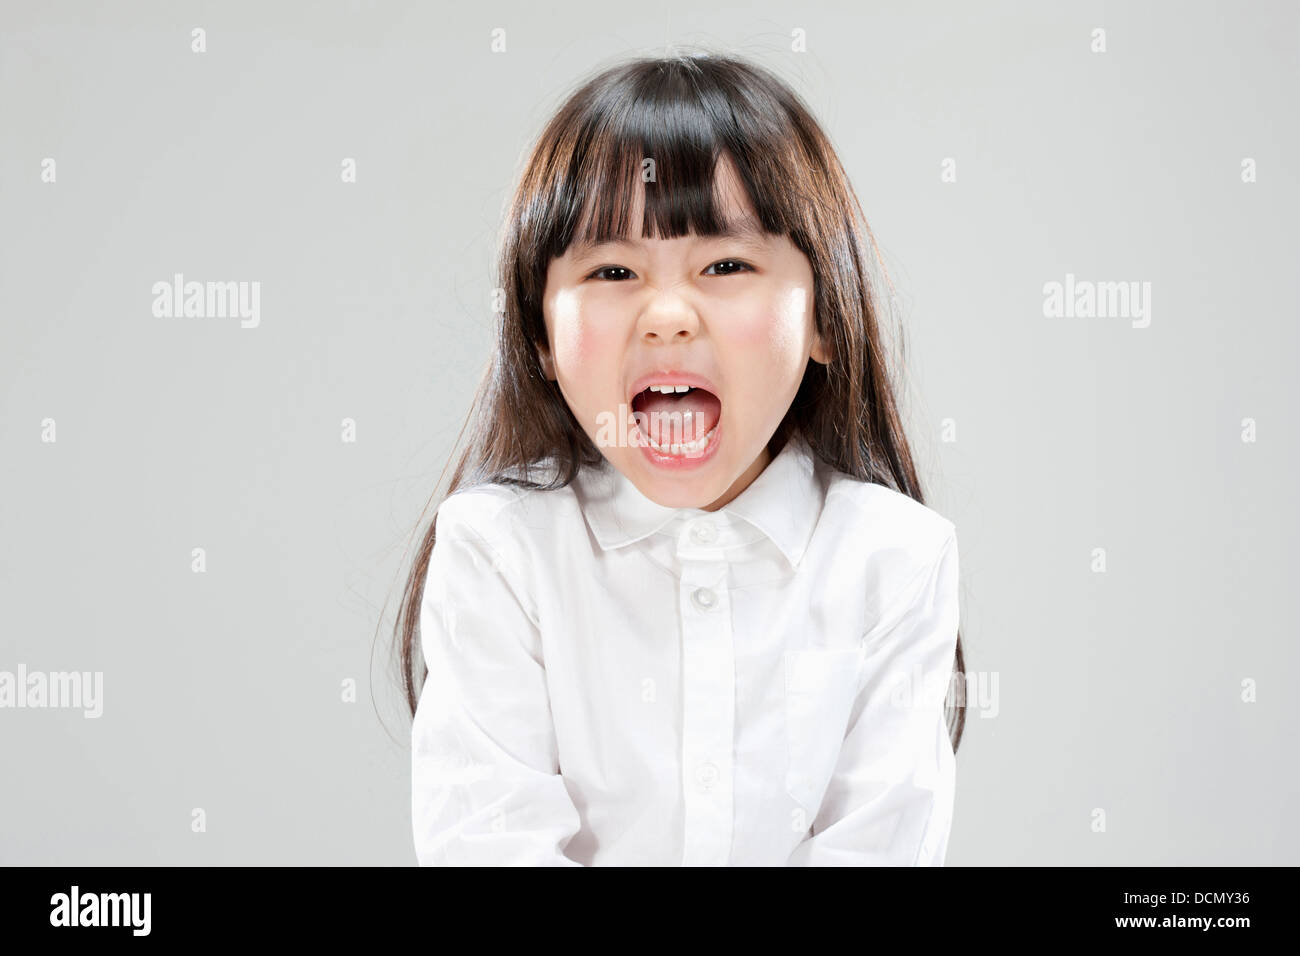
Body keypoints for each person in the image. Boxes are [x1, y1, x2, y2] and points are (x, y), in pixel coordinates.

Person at [397, 51, 967, 866]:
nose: (667, 314)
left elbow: (877, 848)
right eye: (613, 270)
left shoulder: (893, 558)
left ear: (824, 322)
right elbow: (488, 844)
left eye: (726, 266)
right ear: (541, 339)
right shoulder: (500, 550)